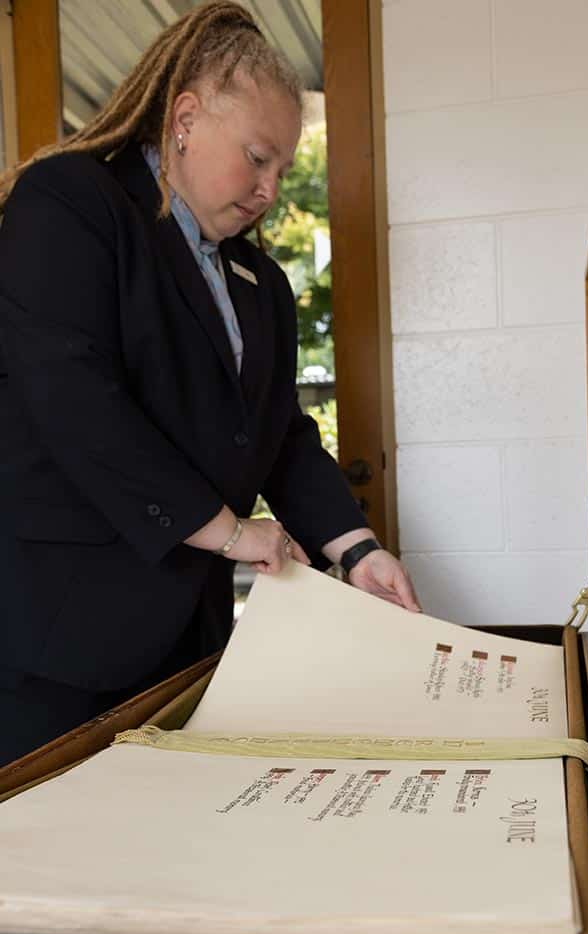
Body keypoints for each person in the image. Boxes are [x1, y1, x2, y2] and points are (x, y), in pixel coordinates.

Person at [0, 2, 419, 767]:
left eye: (281, 170)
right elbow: (73, 398)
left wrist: (357, 549)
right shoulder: (71, 202)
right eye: (257, 158)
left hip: (187, 634)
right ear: (185, 119)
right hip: (57, 635)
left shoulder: (260, 281)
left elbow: (279, 434)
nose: (269, 189)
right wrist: (229, 531)